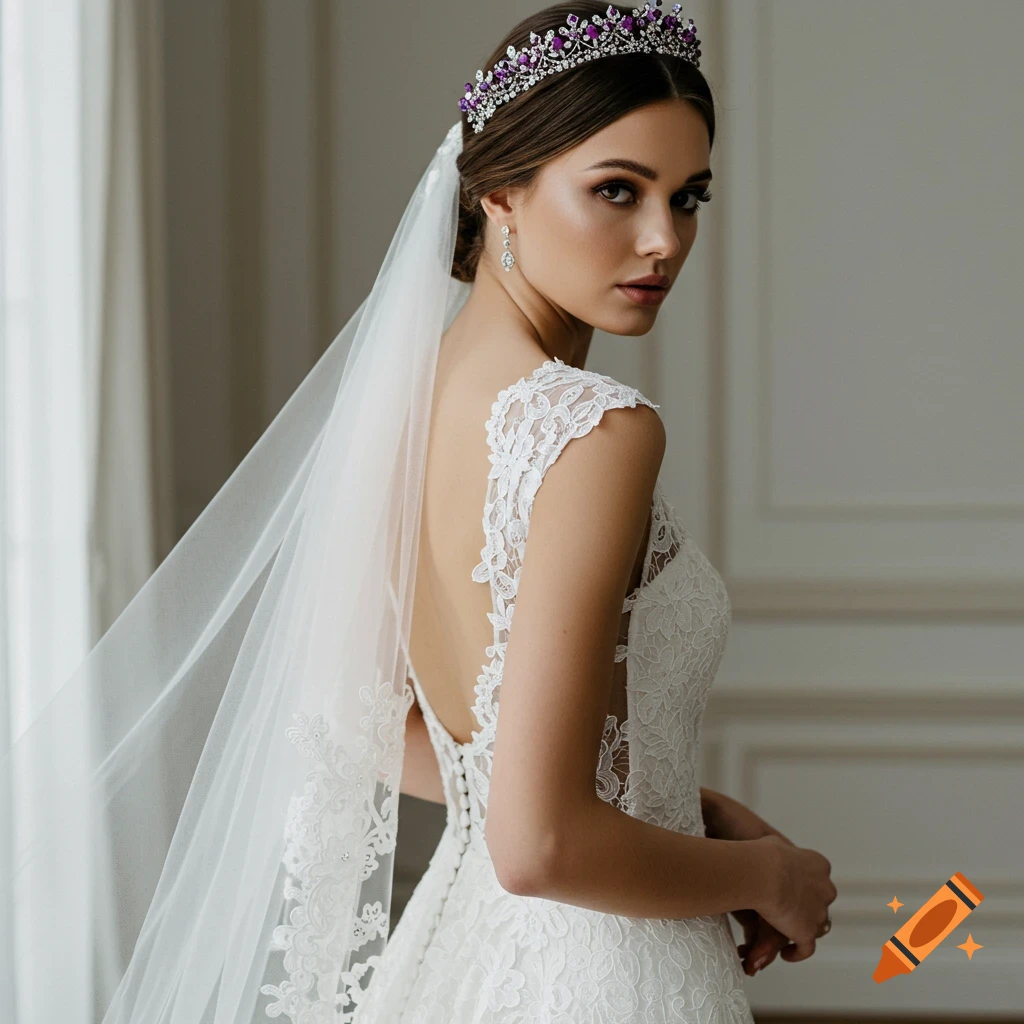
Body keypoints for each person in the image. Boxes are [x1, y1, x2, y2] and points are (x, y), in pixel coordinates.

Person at [0, 2, 835, 1023]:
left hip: (458, 949)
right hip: (600, 976)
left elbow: (365, 722)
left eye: (688, 195)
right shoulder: (597, 430)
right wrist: (769, 879)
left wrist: (675, 810)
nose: (664, 239)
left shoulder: (401, 403)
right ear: (501, 197)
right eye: (616, 190)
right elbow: (539, 845)